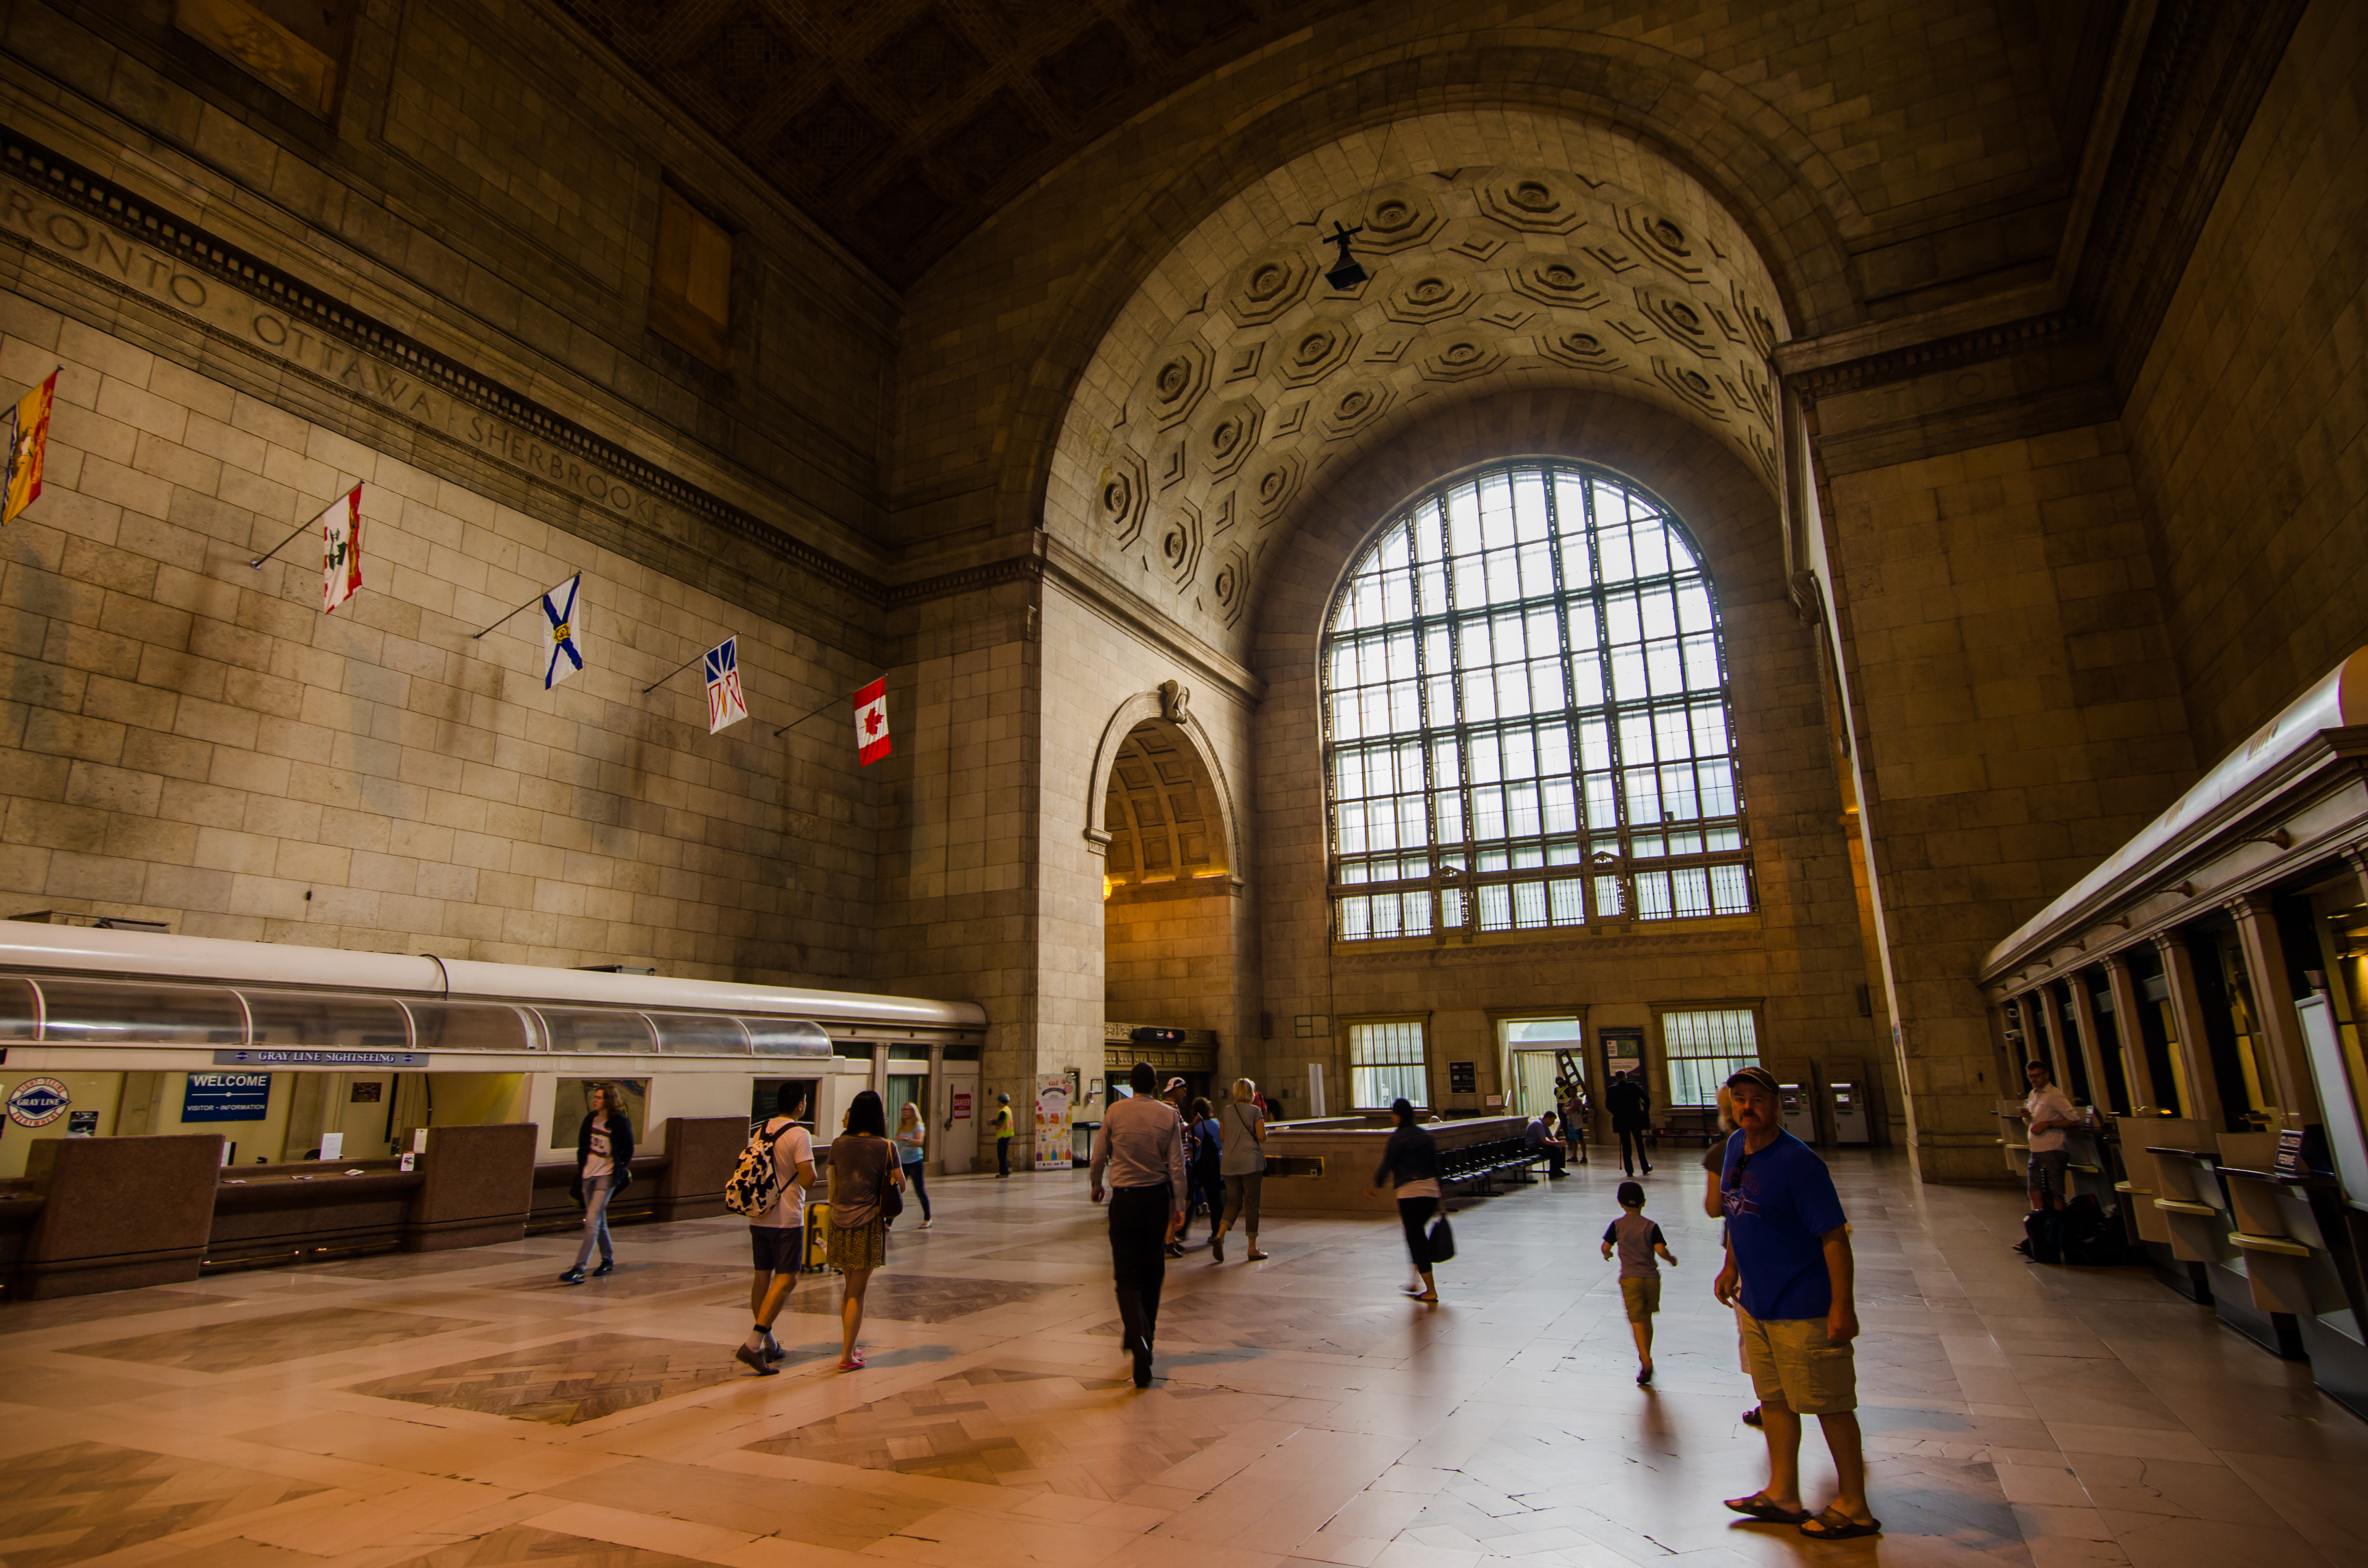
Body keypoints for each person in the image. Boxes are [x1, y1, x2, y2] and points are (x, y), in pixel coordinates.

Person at [1715, 1066, 1877, 1540]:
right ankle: (1782, 1493)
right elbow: (1734, 1207)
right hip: (1755, 1302)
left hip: (1802, 1303)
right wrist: (1731, 1266)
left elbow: (1833, 1238)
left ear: (1775, 1104)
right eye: (1739, 1098)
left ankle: (1854, 1506)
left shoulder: (1799, 1163)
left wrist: (1841, 1307)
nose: (1747, 1107)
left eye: (1756, 1099)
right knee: (1774, 1400)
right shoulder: (1734, 1148)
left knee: (1829, 1402)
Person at [1090, 1060, 1187, 1386]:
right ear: (1156, 1086)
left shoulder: (1115, 1112)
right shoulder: (1168, 1115)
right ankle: (1148, 1337)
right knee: (1153, 1272)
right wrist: (1180, 1204)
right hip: (1156, 1200)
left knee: (1127, 1277)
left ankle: (1137, 1335)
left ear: (1131, 1085)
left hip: (1125, 1200)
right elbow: (1176, 1165)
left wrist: (1095, 1184)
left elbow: (1099, 1155)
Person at [735, 1086, 816, 1375]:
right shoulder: (800, 1134)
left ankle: (769, 1342)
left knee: (762, 1279)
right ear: (800, 1105)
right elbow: (807, 1180)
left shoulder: (761, 1131)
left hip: (759, 1217)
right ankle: (754, 1344)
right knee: (787, 1279)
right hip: (786, 1219)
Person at [826, 1089, 904, 1371]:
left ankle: (851, 1344)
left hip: (838, 1221)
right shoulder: (886, 1147)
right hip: (867, 1224)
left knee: (849, 1289)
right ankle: (847, 1356)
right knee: (858, 1292)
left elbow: (832, 1182)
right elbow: (902, 1185)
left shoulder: (838, 1144)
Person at [1703, 1086, 1762, 1427]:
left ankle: (1769, 1403)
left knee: (1753, 1331)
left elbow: (1714, 1208)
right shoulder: (1787, 1148)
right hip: (1782, 1253)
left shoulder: (1722, 1152)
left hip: (1742, 1253)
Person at [1366, 1098, 1442, 1304]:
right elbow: (1437, 1167)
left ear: (1397, 1116)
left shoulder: (1398, 1138)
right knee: (1414, 1237)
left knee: (1416, 1239)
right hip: (1431, 1194)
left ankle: (1431, 1290)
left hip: (1410, 1194)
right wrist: (1441, 1198)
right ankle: (1415, 1281)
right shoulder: (1426, 1136)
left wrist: (1375, 1187)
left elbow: (1387, 1164)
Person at [1602, 1179, 1677, 1384]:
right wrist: (1671, 1259)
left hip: (1630, 1279)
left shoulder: (1617, 1225)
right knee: (1647, 1318)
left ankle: (1645, 1359)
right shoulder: (1651, 1226)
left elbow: (1605, 1247)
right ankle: (1648, 1353)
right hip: (1652, 1279)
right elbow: (1661, 1250)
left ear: (1620, 1203)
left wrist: (1608, 1254)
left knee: (1636, 1320)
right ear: (1644, 1202)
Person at [559, 1083, 633, 1284]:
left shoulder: (619, 1122)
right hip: (587, 1175)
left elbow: (628, 1149)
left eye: (599, 1098)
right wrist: (582, 1167)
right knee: (599, 1219)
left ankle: (579, 1268)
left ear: (609, 1100)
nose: (595, 1100)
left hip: (606, 1177)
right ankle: (607, 1260)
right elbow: (583, 1145)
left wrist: (617, 1168)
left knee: (591, 1221)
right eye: (595, 1097)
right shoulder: (590, 1119)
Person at [1213, 1077, 1270, 1263]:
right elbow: (1262, 1137)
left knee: (1233, 1202)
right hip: (1250, 1163)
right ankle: (1252, 1248)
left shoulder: (1227, 1111)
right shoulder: (1255, 1111)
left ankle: (1220, 1235)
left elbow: (1222, 1137)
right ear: (1251, 1093)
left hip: (1229, 1163)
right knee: (1252, 1205)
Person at [2021, 1060, 2079, 1212]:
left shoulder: (2055, 1095)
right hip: (2036, 1149)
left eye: (2037, 1076)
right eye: (2030, 1077)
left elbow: (2074, 1119)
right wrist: (2027, 1116)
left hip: (2053, 1149)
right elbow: (2032, 1121)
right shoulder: (2033, 1095)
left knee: (2055, 1192)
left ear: (2047, 1075)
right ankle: (2039, 1226)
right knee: (2034, 1192)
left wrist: (2049, 1124)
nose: (2034, 1079)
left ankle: (2059, 1227)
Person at [1188, 1095, 1225, 1248]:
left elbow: (1192, 1149)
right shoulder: (1217, 1123)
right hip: (1219, 1165)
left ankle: (1182, 1227)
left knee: (1191, 1194)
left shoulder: (1196, 1128)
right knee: (1216, 1200)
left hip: (1204, 1167)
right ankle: (1218, 1231)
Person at [895, 1100, 933, 1228]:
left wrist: (906, 1139)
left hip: (915, 1162)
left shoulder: (918, 1126)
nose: (905, 1112)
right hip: (903, 1163)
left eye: (908, 1110)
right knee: (896, 1191)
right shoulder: (902, 1126)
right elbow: (899, 1146)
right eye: (904, 1110)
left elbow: (919, 1142)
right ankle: (888, 1222)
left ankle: (928, 1218)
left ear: (913, 1112)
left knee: (919, 1191)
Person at [1608, 1069, 1653, 1176]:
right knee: (1639, 1143)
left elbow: (1608, 1105)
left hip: (1622, 1121)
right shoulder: (1632, 1086)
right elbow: (1646, 1098)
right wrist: (1645, 1111)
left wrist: (1617, 1114)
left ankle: (1629, 1170)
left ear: (1617, 1078)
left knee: (1626, 1145)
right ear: (1625, 1077)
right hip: (1635, 1118)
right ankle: (1645, 1167)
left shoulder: (1612, 1089)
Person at [1526, 1109, 1566, 1176]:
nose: (1553, 1123)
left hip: (1539, 1145)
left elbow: (1551, 1137)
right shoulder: (1538, 1124)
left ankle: (1558, 1169)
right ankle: (1554, 1172)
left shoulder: (1545, 1125)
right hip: (1533, 1146)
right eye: (1552, 1121)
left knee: (1560, 1147)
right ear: (1547, 1118)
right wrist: (1558, 1144)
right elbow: (1545, 1141)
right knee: (1555, 1149)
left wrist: (1559, 1144)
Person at [992, 1092, 1014, 1176]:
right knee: (1003, 1153)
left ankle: (1004, 1173)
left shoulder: (1003, 1111)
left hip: (1003, 1135)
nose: (998, 1103)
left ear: (1001, 1102)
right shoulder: (1008, 1109)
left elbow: (999, 1123)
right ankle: (1008, 1167)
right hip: (1008, 1134)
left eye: (999, 1101)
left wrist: (993, 1122)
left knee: (1001, 1155)